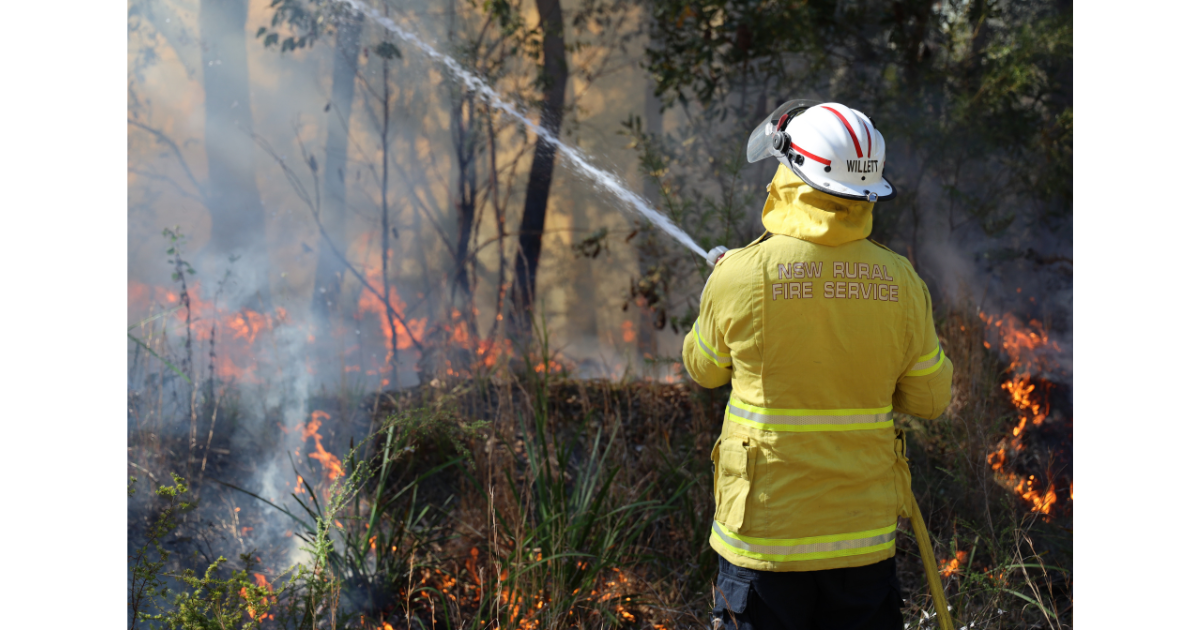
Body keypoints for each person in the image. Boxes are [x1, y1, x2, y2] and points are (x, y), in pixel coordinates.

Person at [683, 101, 954, 630]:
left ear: (791, 174)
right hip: (861, 543)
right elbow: (930, 399)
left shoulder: (738, 275)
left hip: (764, 539)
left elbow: (703, 369)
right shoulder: (901, 281)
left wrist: (717, 293)